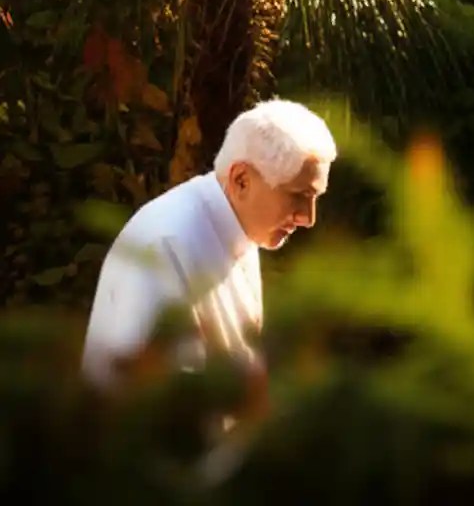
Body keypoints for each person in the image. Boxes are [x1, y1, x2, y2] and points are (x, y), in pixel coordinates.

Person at [81, 98, 336, 394]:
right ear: (241, 180)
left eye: (314, 197)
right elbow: (160, 400)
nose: (309, 218)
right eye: (298, 195)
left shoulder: (243, 225)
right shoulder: (166, 243)